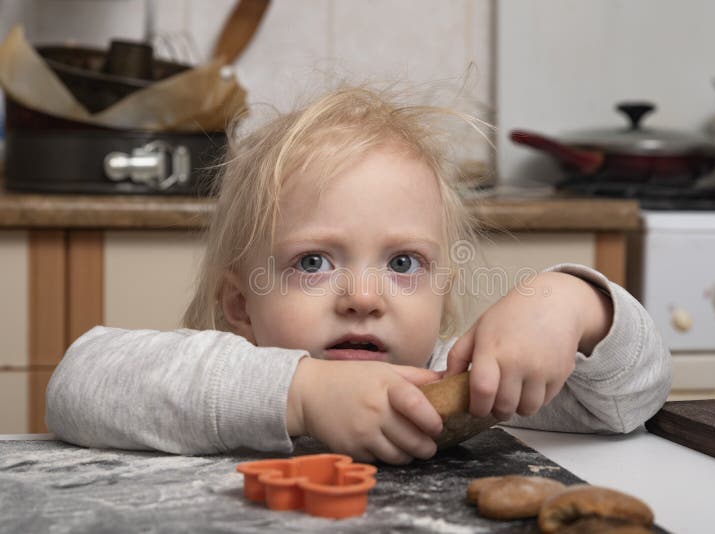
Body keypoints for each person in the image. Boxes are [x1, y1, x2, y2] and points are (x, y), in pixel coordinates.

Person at [45, 87, 672, 464]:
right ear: (240, 304)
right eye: (314, 262)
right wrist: (304, 394)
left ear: (443, 291)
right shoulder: (220, 374)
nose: (364, 298)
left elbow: (627, 401)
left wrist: (572, 305)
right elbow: (78, 381)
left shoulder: (457, 381)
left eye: (403, 264)